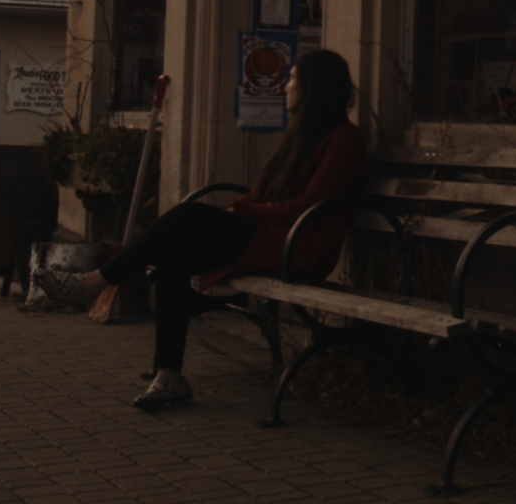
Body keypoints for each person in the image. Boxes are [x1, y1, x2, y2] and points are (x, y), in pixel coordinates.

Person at [35, 49, 366, 408]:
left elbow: (308, 210)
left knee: (188, 216)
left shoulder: (344, 139)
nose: (285, 86)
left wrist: (240, 209)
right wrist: (235, 209)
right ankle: (169, 375)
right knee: (174, 256)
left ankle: (97, 280)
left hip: (301, 248)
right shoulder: (303, 137)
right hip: (273, 238)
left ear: (314, 88)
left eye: (293, 79)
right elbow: (263, 195)